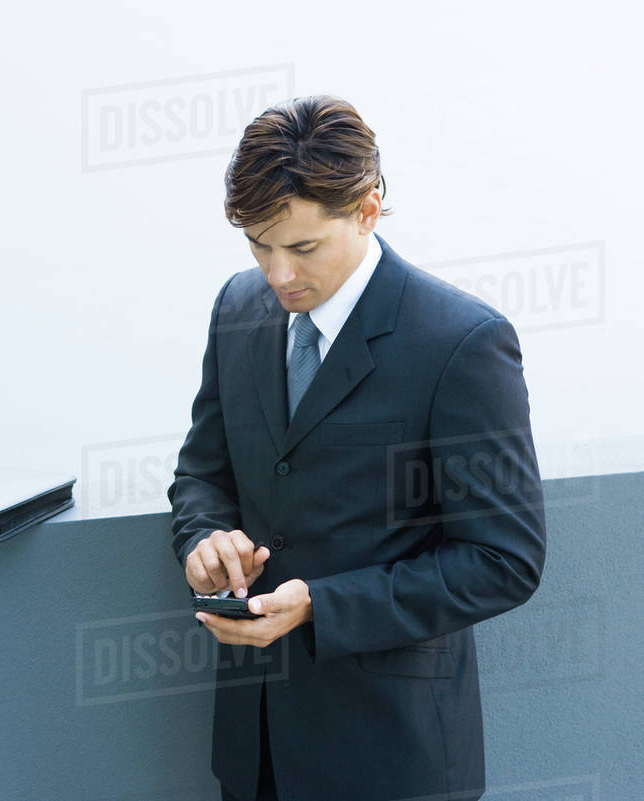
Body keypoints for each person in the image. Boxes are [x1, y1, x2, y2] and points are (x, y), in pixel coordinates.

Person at [167, 95, 547, 801]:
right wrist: (204, 537)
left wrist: (322, 604)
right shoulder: (236, 308)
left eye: (303, 247)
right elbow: (202, 471)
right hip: (255, 753)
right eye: (258, 243)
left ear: (369, 209)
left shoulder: (461, 342)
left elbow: (504, 560)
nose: (277, 273)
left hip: (393, 757)